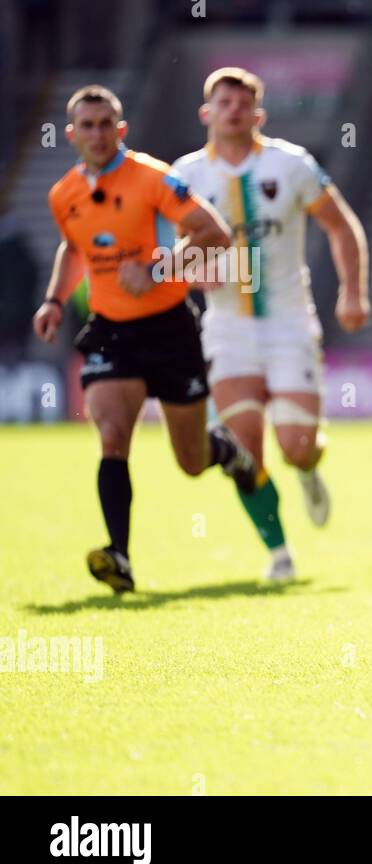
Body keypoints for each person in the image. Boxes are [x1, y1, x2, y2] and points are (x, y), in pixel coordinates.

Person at [33, 84, 257, 593]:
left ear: (121, 128)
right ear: (71, 134)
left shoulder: (155, 177)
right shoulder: (63, 194)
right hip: (112, 332)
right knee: (112, 438)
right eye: (86, 126)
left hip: (169, 328)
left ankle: (226, 452)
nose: (96, 133)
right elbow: (74, 250)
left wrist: (160, 270)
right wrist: (52, 300)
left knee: (191, 461)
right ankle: (120, 556)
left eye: (105, 123)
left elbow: (216, 234)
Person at [173, 67, 371, 581]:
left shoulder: (291, 165)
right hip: (227, 329)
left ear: (258, 114)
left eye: (243, 103)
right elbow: (176, 258)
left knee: (296, 447)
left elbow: (340, 223)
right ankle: (279, 553)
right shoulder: (185, 176)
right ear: (206, 112)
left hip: (288, 322)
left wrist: (352, 292)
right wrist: (193, 270)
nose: (233, 110)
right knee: (242, 449)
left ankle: (307, 470)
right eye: (224, 102)